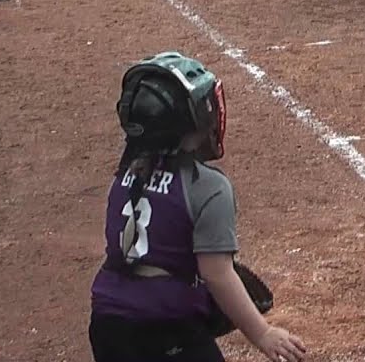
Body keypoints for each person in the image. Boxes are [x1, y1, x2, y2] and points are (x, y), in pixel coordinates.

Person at [89, 51, 308, 362]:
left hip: (107, 322)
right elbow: (217, 275)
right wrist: (262, 332)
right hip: (165, 326)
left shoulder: (127, 175)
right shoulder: (208, 186)